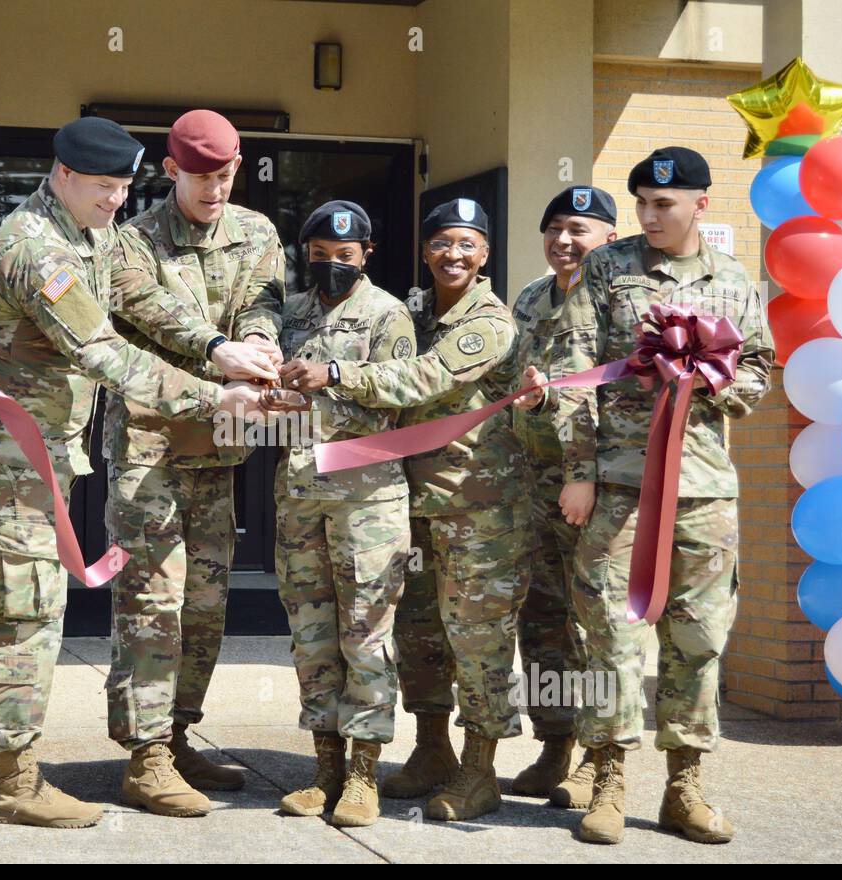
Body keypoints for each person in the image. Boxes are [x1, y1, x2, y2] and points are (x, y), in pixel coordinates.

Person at [0, 116, 267, 829]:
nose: (117, 201)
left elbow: (141, 299)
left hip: (45, 449)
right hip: (10, 454)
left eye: (124, 187)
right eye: (104, 187)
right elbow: (104, 353)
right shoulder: (34, 250)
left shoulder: (89, 232)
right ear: (64, 174)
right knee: (30, 610)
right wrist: (217, 395)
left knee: (2, 600)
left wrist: (214, 346)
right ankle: (16, 780)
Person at [278, 198, 541, 822]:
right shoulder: (415, 308)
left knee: (478, 637)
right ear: (424, 251)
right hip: (414, 499)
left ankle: (482, 769)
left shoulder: (487, 321)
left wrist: (335, 373)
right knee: (419, 636)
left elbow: (419, 381)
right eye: (442, 243)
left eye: (467, 244)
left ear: (485, 253)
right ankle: (431, 751)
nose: (454, 255)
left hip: (477, 502)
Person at [546, 147, 774, 845]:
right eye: (642, 201)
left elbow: (760, 367)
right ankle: (608, 778)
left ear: (701, 204)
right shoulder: (607, 272)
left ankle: (685, 787)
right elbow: (571, 371)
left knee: (698, 639)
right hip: (618, 486)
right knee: (610, 635)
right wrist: (579, 470)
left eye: (665, 204)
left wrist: (715, 383)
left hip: (703, 490)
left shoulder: (733, 281)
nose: (650, 214)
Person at [103, 109, 284, 816]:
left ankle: (177, 736)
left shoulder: (256, 232)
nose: (216, 189)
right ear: (172, 169)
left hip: (217, 448)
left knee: (205, 605)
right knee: (152, 603)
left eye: (227, 174)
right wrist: (218, 349)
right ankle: (144, 756)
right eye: (203, 177)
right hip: (151, 448)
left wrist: (261, 350)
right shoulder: (132, 241)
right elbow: (145, 310)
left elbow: (264, 304)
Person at [266, 201, 413, 827]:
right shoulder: (290, 315)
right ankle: (323, 766)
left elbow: (403, 394)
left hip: (368, 498)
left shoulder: (387, 314)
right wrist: (272, 400)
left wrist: (331, 376)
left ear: (367, 255)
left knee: (366, 632)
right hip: (300, 493)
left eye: (344, 256)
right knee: (312, 633)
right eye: (319, 256)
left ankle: (362, 774)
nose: (330, 266)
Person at [507, 186, 617, 807]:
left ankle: (599, 760)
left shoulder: (620, 304)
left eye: (579, 228)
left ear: (608, 235)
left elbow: (621, 397)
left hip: (595, 486)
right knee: (542, 620)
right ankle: (556, 744)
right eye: (554, 228)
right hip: (532, 484)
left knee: (595, 624)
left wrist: (590, 472)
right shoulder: (530, 298)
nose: (564, 241)